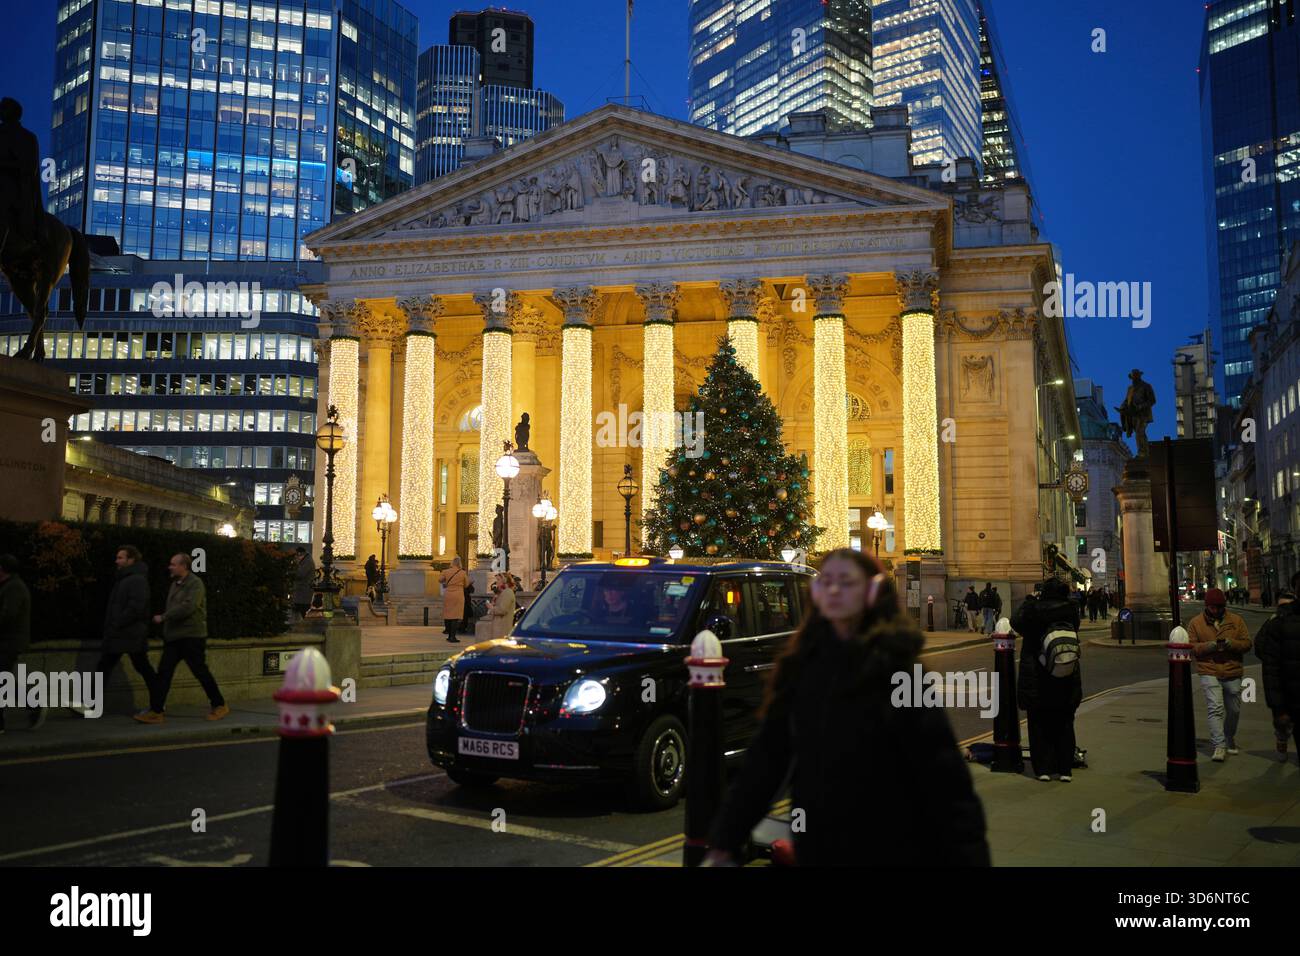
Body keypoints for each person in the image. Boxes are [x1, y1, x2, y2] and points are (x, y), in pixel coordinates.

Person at [704, 549, 989, 866]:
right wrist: (725, 841)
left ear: (870, 592)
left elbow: (944, 776)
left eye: (847, 582)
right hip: (821, 846)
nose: (835, 590)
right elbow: (766, 761)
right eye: (827, 581)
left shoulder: (899, 670)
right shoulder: (800, 667)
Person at [134, 553, 228, 724]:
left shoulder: (195, 584)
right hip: (174, 638)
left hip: (191, 637)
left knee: (200, 672)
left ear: (184, 566)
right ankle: (156, 710)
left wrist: (164, 617)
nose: (170, 567)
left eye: (173, 564)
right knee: (164, 673)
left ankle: (219, 704)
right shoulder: (175, 585)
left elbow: (188, 607)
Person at [1013, 576, 1082, 782]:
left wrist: (1029, 600)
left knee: (1039, 723)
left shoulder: (1034, 610)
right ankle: (1065, 769)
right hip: (1065, 673)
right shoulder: (1071, 609)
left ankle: (1043, 768)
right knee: (1064, 722)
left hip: (1038, 675)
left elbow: (1016, 622)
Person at [1188, 588, 1251, 761]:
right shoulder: (1196, 623)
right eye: (1212, 607)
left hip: (1232, 669)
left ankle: (1229, 738)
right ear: (1206, 606)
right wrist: (1210, 646)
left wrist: (1231, 644)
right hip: (1209, 669)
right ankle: (1219, 746)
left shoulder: (1236, 621)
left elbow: (1247, 643)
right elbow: (1192, 647)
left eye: (1218, 607)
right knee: (1214, 708)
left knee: (1234, 710)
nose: (1215, 610)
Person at [97, 545, 157, 703]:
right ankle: (158, 701)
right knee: (107, 667)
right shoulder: (126, 578)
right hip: (124, 633)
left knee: (141, 667)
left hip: (129, 633)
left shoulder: (135, 580)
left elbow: (136, 607)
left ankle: (158, 701)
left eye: (120, 557)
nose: (117, 561)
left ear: (131, 560)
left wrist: (117, 622)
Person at [1258, 585, 1300, 764]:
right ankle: (1282, 742)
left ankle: (1282, 742)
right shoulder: (1273, 623)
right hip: (1286, 685)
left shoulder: (1275, 621)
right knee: (1285, 721)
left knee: (1285, 719)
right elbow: (1262, 648)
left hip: (1286, 685)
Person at [0, 553, 41, 733]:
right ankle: (33, 704)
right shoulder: (8, 586)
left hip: (9, 642)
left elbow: (8, 616)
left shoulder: (14, 588)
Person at [439, 557, 468, 644]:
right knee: (456, 616)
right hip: (458, 594)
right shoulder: (463, 573)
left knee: (448, 614)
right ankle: (452, 636)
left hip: (449, 594)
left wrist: (446, 582)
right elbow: (466, 584)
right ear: (460, 563)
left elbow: (440, 580)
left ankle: (448, 633)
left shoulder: (446, 571)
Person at [486, 572, 517, 640]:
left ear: (504, 581)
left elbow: (502, 610)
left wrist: (491, 608)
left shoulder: (507, 592)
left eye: (498, 580)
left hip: (502, 628)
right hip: (499, 627)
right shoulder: (503, 592)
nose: (496, 582)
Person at [290, 546, 315, 619]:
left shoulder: (307, 561)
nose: (296, 557)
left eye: (297, 555)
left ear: (300, 553)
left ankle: (302, 626)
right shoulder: (306, 560)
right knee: (300, 609)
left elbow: (300, 574)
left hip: (304, 590)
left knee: (303, 610)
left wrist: (292, 572)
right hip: (301, 591)